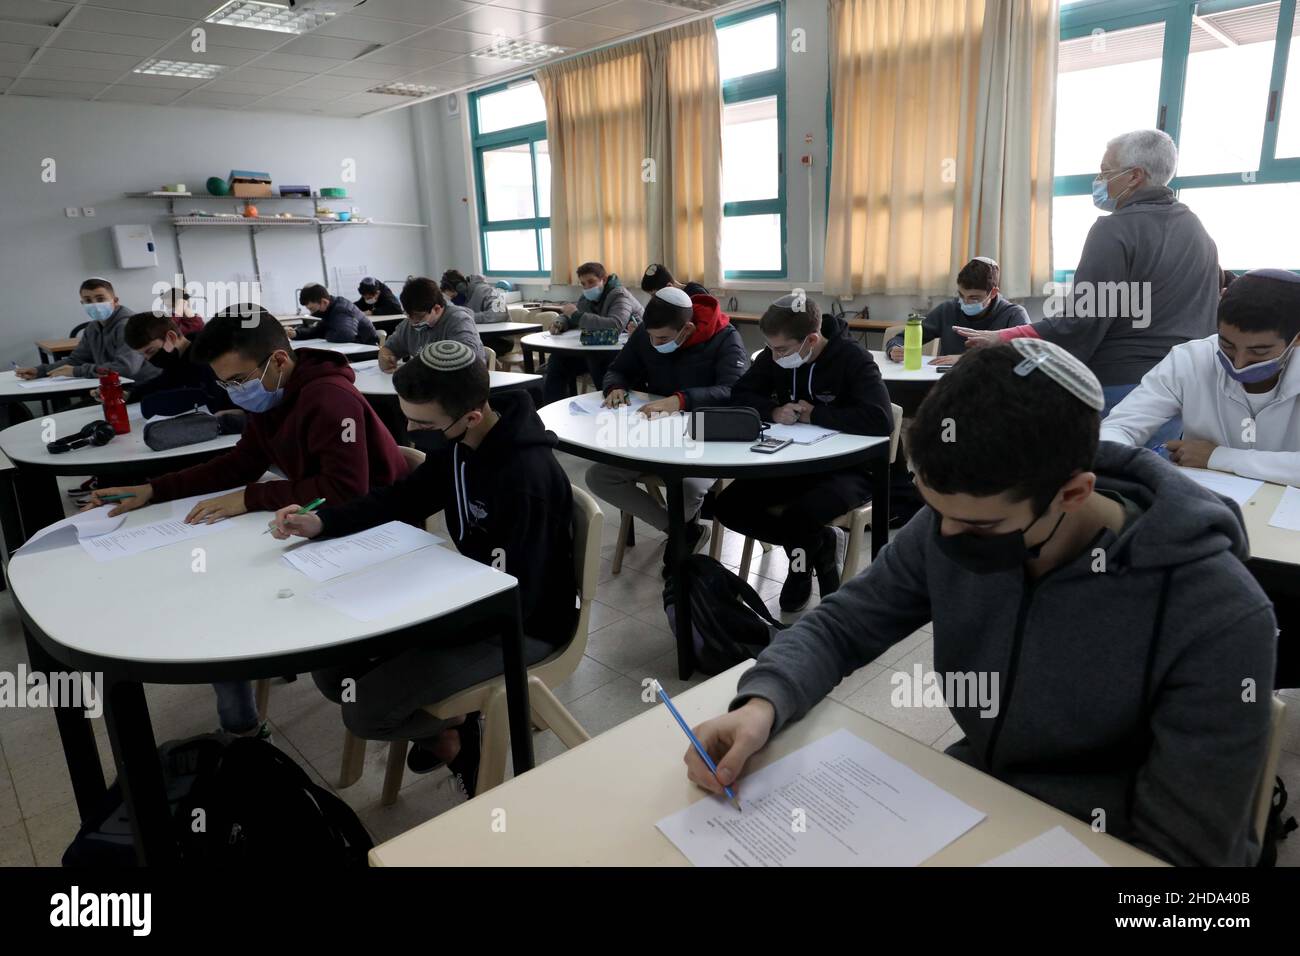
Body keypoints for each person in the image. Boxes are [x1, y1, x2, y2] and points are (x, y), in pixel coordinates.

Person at [683, 339, 1276, 867]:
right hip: (974, 794)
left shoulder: (1216, 612)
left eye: (979, 526)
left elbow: (1188, 860)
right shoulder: (959, 518)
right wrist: (762, 704)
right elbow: (843, 625)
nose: (943, 540)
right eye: (935, 511)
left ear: (1073, 493)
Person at [271, 340, 577, 798]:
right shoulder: (461, 444)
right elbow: (404, 497)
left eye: (422, 423)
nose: (410, 431)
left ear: (470, 416)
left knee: (365, 711)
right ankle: (448, 728)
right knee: (334, 671)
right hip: (468, 599)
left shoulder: (524, 477)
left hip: (523, 623)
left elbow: (521, 593)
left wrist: (410, 624)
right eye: (407, 416)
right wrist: (322, 522)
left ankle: (459, 744)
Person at [86, 306, 409, 739]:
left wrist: (251, 496)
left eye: (238, 381)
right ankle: (240, 723)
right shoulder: (273, 397)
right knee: (212, 582)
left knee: (229, 594)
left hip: (370, 531)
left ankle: (242, 722)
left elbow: (347, 491)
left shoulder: (331, 399)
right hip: (317, 522)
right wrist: (154, 489)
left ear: (277, 360)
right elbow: (242, 461)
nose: (234, 392)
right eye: (224, 382)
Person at [959, 129, 1219, 446]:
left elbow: (1082, 321)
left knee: (1098, 482)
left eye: (1105, 171)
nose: (1098, 180)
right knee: (1148, 480)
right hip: (1181, 388)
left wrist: (1003, 337)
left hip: (1122, 388)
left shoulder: (1114, 229)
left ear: (1135, 176)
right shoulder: (1198, 231)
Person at [718, 294, 894, 610]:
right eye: (770, 348)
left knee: (802, 514)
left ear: (811, 339)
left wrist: (816, 415)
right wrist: (772, 410)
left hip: (852, 468)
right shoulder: (777, 356)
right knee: (729, 506)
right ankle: (820, 546)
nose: (774, 356)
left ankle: (801, 570)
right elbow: (740, 393)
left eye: (782, 349)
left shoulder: (853, 359)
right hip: (795, 462)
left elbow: (881, 420)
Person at [585, 288, 747, 565]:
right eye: (650, 335)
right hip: (654, 436)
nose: (654, 342)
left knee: (685, 490)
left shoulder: (725, 337)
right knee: (599, 477)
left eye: (662, 338)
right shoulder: (648, 335)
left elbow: (734, 391)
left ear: (687, 328)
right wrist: (615, 387)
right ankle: (681, 531)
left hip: (704, 439)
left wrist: (680, 401)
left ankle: (681, 532)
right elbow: (619, 368)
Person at [1101, 269, 1299, 484]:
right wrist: (1121, 460)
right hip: (1206, 503)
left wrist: (1217, 457)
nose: (1239, 364)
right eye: (1227, 345)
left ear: (1296, 339)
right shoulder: (1190, 360)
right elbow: (1120, 426)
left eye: (1259, 352)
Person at [16, 277, 159, 383]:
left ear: (115, 301)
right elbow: (77, 360)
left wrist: (77, 371)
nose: (95, 304)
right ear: (82, 303)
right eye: (88, 300)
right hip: (114, 385)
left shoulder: (128, 325)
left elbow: (126, 368)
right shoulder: (92, 328)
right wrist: (40, 371)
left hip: (142, 387)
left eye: (100, 298)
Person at [885, 257, 1027, 364]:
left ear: (994, 292)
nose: (965, 303)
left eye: (974, 298)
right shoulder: (948, 310)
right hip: (947, 385)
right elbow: (900, 338)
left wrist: (965, 360)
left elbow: (1024, 357)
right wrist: (895, 348)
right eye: (961, 295)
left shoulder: (1014, 314)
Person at [542, 261, 644, 405]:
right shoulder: (586, 298)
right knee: (557, 360)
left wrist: (576, 315)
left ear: (604, 279)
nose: (587, 287)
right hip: (597, 350)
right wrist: (561, 322)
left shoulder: (620, 295)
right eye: (583, 284)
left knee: (595, 359)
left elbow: (615, 326)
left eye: (591, 282)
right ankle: (552, 409)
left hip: (625, 354)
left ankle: (607, 408)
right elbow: (572, 317)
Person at [113, 310, 236, 413]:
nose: (147, 358)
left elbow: (211, 399)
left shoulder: (206, 357)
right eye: (143, 354)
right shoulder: (179, 356)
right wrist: (128, 393)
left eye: (150, 351)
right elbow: (162, 382)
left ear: (171, 337)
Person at [379, 277, 484, 371]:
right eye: (408, 315)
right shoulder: (410, 322)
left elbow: (467, 360)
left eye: (419, 317)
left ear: (437, 309)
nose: (412, 322)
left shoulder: (459, 320)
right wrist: (385, 357)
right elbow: (389, 349)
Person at [292, 283, 378, 345]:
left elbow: (345, 336)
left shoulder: (341, 310)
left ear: (324, 302)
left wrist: (325, 333)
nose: (311, 313)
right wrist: (297, 333)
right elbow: (318, 331)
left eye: (312, 309)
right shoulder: (330, 309)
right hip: (353, 347)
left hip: (365, 349)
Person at [640, 263, 709, 298]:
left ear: (669, 286)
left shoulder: (697, 295)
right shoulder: (674, 296)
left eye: (655, 295)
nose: (654, 299)